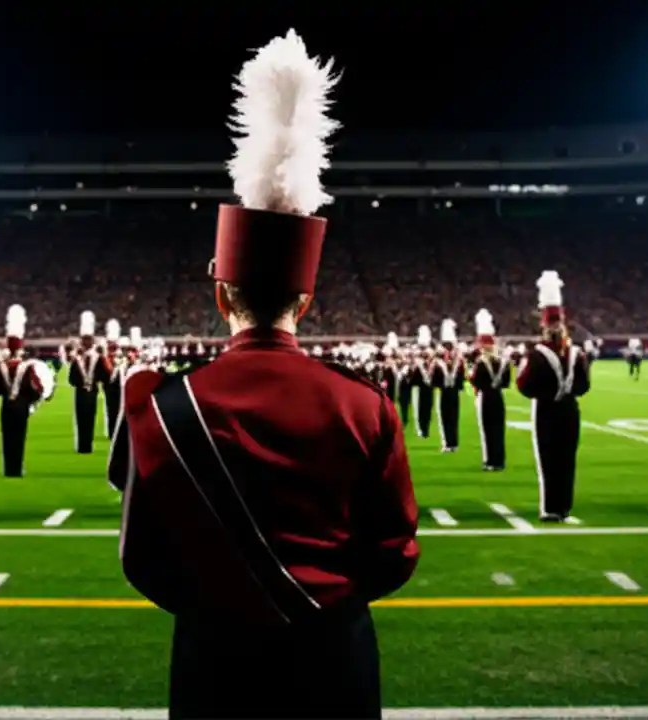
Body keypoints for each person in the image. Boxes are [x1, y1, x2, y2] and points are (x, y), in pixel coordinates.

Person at [108, 30, 418, 719]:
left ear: (220, 295)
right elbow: (395, 551)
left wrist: (221, 608)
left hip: (212, 663)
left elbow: (141, 559)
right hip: (336, 661)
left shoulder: (161, 402)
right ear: (307, 299)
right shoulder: (363, 404)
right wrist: (322, 603)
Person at [516, 270, 590, 522]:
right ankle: (564, 507)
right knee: (567, 459)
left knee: (548, 459)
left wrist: (543, 391)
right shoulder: (577, 353)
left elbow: (524, 385)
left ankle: (550, 508)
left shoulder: (536, 354)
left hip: (546, 410)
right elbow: (584, 386)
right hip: (570, 410)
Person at [0, 304, 54, 477]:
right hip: (21, 405)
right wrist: (35, 399)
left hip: (6, 405)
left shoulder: (0, 365)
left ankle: (8, 469)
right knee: (19, 437)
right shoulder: (27, 367)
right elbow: (35, 387)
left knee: (7, 437)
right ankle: (17, 469)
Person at [469, 308, 511, 471]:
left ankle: (490, 460)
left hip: (486, 397)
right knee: (499, 429)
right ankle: (500, 460)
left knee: (487, 429)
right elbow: (507, 382)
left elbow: (476, 380)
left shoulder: (481, 362)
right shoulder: (503, 362)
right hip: (498, 396)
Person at [67, 310, 110, 453]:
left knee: (90, 419)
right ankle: (81, 446)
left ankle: (88, 446)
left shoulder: (98, 358)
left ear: (92, 340)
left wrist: (94, 381)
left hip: (92, 392)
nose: (86, 342)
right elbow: (71, 378)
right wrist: (80, 383)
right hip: (80, 392)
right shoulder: (77, 359)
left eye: (88, 339)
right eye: (84, 339)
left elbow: (105, 375)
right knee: (80, 419)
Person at [434, 318, 464, 453]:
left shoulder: (457, 357)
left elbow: (461, 374)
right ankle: (450, 442)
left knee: (451, 416)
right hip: (448, 390)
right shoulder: (440, 358)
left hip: (449, 391)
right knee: (448, 416)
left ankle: (451, 442)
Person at [411, 325, 434, 439]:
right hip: (418, 386)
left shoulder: (431, 357)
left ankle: (426, 429)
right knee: (419, 408)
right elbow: (412, 374)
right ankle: (421, 429)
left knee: (428, 408)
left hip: (428, 386)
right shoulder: (415, 356)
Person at [102, 318, 124, 439]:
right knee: (110, 408)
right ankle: (111, 431)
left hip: (119, 382)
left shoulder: (120, 352)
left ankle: (117, 430)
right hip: (109, 383)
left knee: (118, 408)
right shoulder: (105, 352)